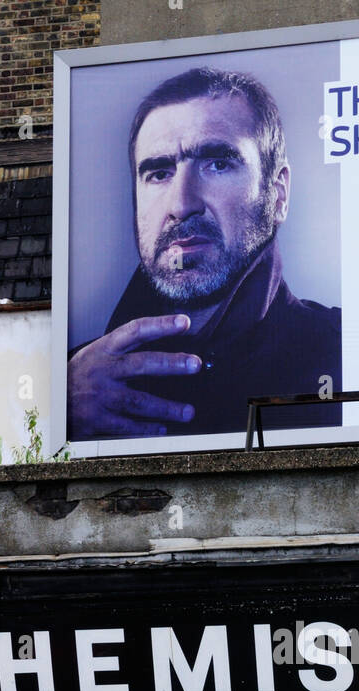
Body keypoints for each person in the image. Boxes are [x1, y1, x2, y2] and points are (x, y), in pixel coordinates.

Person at [67, 66, 341, 441]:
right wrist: (60, 421)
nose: (181, 204)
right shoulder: (73, 388)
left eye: (217, 164)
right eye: (159, 173)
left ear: (277, 194)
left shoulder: (349, 352)